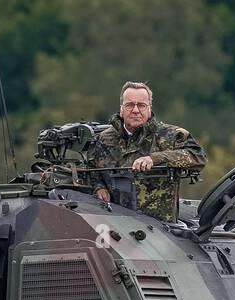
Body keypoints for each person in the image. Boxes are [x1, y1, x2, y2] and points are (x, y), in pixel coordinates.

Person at [86, 81, 206, 220]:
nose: (135, 110)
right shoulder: (105, 138)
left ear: (149, 109)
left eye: (141, 105)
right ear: (121, 109)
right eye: (129, 105)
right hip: (116, 225)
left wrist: (155, 159)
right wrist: (99, 188)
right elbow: (92, 170)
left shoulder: (171, 135)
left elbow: (198, 157)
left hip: (160, 229)